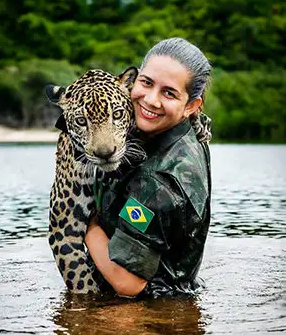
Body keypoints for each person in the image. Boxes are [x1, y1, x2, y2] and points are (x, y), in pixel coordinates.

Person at [85, 37, 212, 298]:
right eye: (146, 82)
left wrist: (83, 224)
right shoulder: (183, 129)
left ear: (191, 106)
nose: (150, 100)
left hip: (151, 310)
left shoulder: (158, 183)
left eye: (169, 93)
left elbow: (128, 283)